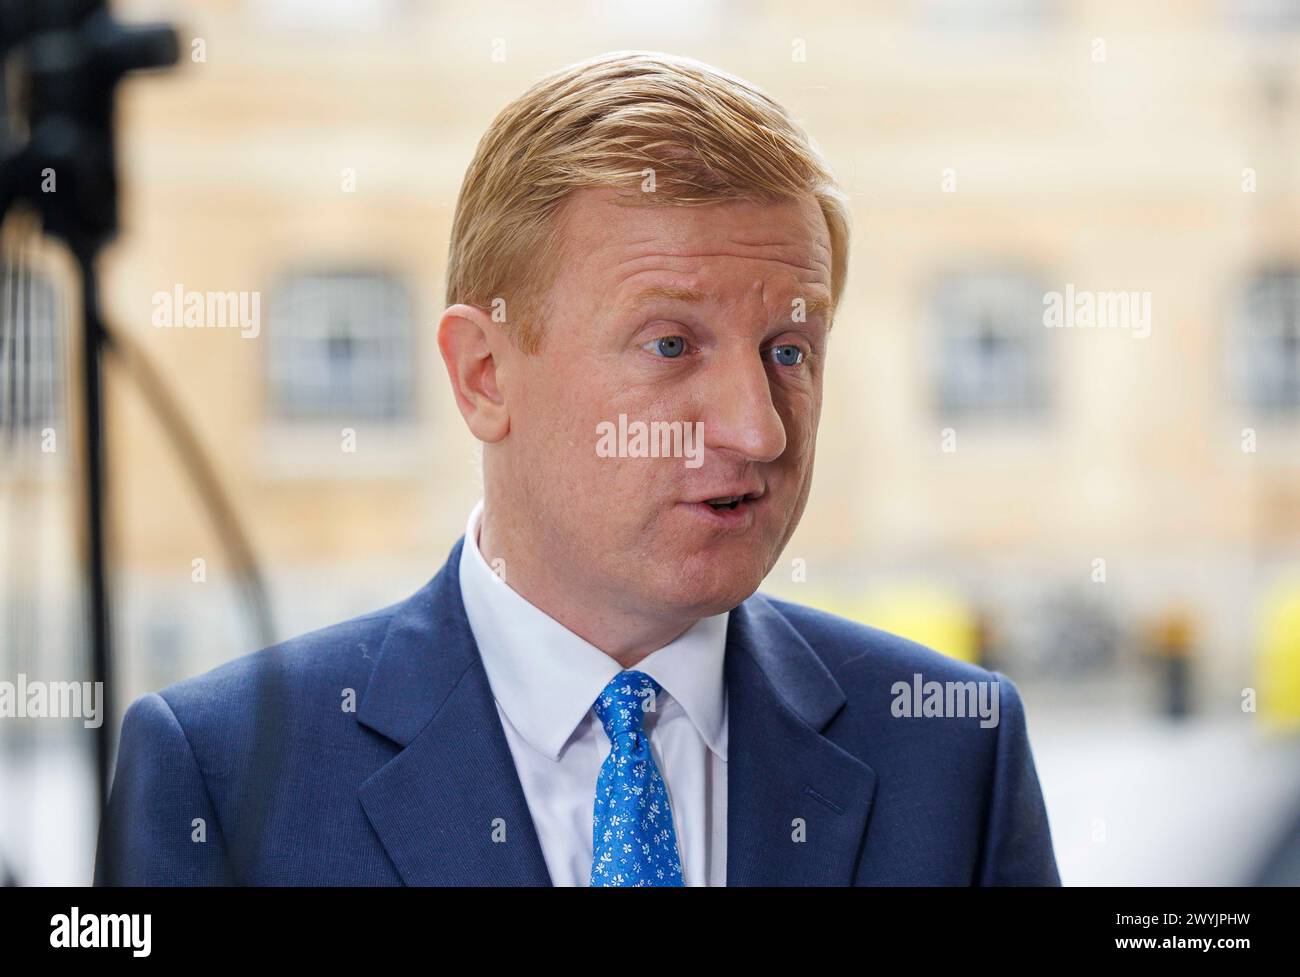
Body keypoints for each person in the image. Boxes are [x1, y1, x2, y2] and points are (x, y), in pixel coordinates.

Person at [95, 50, 1060, 886]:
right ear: (483, 375)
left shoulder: (952, 748)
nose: (758, 431)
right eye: (672, 345)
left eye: (790, 349)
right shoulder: (220, 776)